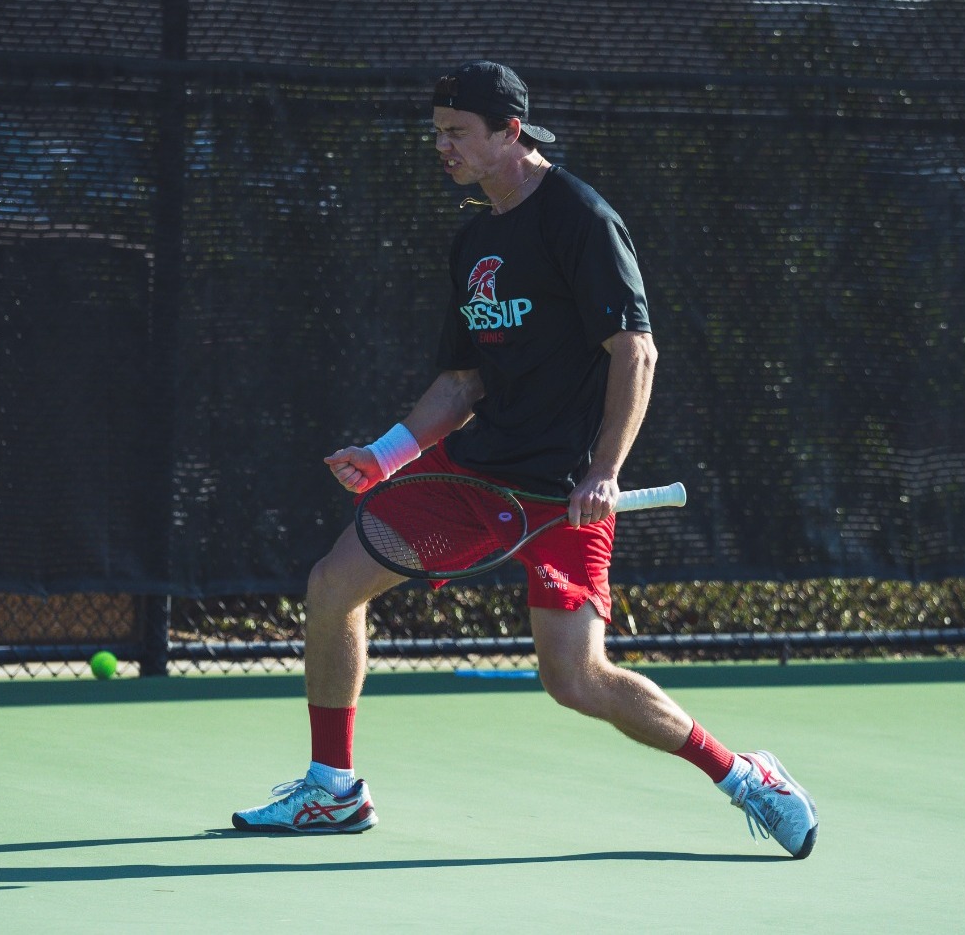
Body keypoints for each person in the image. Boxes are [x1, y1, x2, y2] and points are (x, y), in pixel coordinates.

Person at [231, 61, 818, 858]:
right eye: (437, 133)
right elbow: (463, 378)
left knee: (576, 681)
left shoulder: (581, 219)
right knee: (333, 584)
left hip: (565, 494)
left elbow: (635, 352)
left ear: (510, 133)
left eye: (457, 134)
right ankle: (333, 788)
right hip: (479, 476)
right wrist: (387, 454)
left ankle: (745, 775)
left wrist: (604, 469)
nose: (442, 148)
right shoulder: (475, 235)